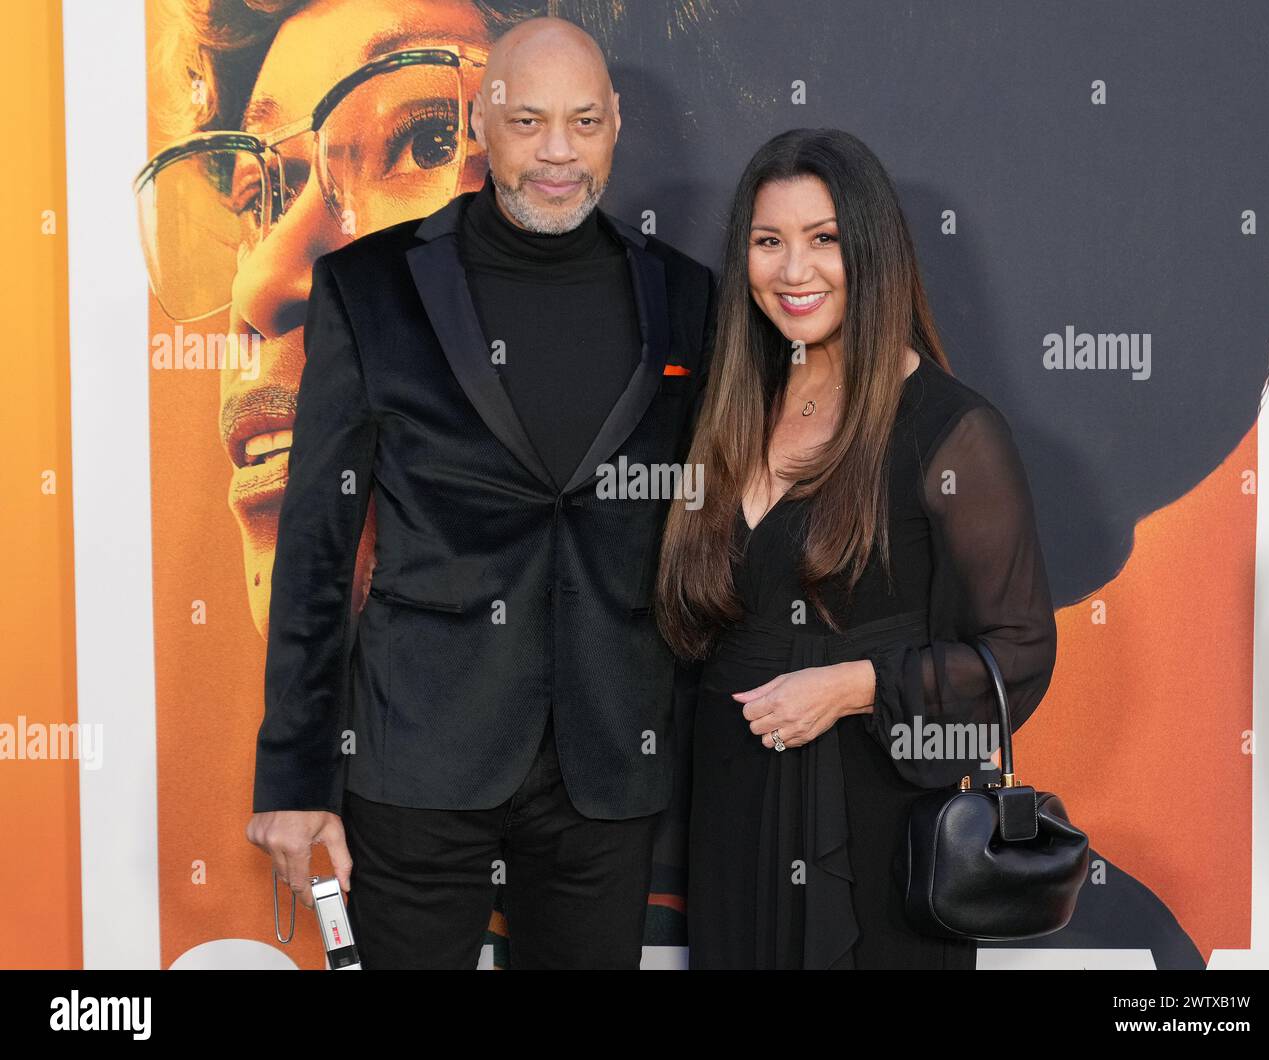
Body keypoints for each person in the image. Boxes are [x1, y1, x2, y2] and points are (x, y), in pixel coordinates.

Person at [246, 15, 714, 969]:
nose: (556, 153)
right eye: (527, 119)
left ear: (615, 124)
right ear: (479, 126)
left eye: (583, 123)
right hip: (419, 755)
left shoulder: (687, 297)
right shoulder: (369, 290)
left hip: (607, 765)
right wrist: (294, 777)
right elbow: (317, 551)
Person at [655, 128, 1057, 969]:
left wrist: (855, 686)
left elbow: (1018, 652)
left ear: (873, 250)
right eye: (769, 242)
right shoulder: (730, 407)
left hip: (872, 829)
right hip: (731, 814)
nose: (793, 271)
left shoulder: (953, 430)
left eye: (824, 239)